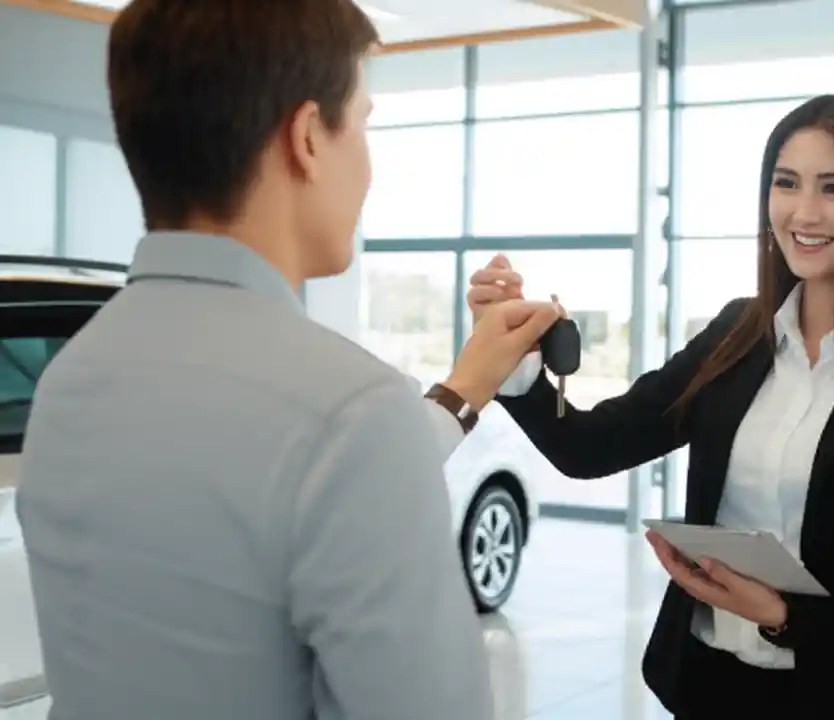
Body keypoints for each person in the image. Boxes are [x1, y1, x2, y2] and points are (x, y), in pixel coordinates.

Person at [15, 2, 559, 719]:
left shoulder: (66, 380)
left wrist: (463, 389)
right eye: (361, 125)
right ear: (306, 139)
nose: (368, 168)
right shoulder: (351, 410)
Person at [469, 94, 834, 718]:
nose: (803, 211)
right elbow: (590, 448)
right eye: (786, 183)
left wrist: (784, 615)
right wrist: (513, 359)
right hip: (711, 686)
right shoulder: (737, 332)